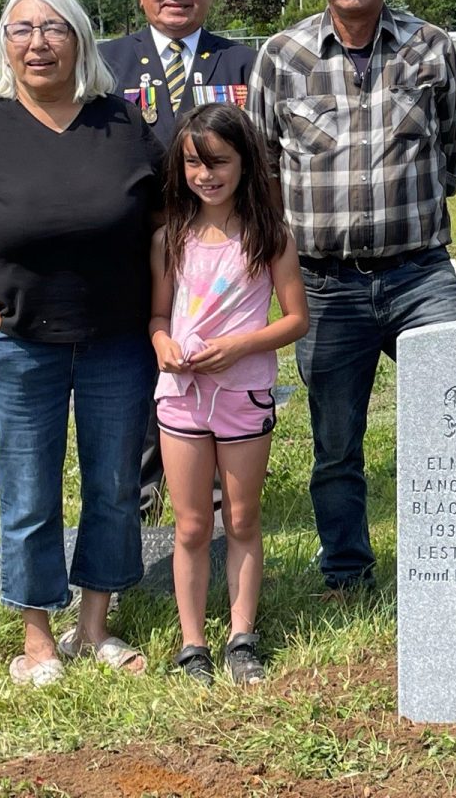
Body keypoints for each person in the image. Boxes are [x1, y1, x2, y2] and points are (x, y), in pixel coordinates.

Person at [0, 0, 164, 686]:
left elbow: (160, 228)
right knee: (28, 492)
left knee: (115, 486)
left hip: (116, 341)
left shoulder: (121, 122)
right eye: (23, 29)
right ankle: (36, 639)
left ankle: (93, 626)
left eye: (54, 28)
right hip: (19, 342)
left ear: (81, 41)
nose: (38, 42)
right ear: (5, 43)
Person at [248, 0, 456, 593]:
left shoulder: (431, 49)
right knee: (336, 442)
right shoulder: (282, 57)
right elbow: (262, 170)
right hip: (325, 285)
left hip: (420, 276)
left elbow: (451, 159)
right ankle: (347, 569)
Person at [150, 103, 308, 685]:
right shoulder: (171, 238)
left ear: (245, 162)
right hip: (183, 396)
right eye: (193, 162)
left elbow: (296, 320)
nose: (206, 174)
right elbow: (158, 316)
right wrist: (163, 343)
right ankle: (193, 643)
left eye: (219, 161)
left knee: (242, 519)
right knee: (191, 526)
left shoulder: (271, 236)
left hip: (244, 394)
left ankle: (242, 635)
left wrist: (241, 346)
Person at [102, 0, 256, 521]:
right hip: (133, 243)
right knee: (142, 362)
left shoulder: (241, 60)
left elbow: (259, 153)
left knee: (214, 359)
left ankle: (215, 494)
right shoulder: (108, 63)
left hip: (217, 248)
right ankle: (141, 498)